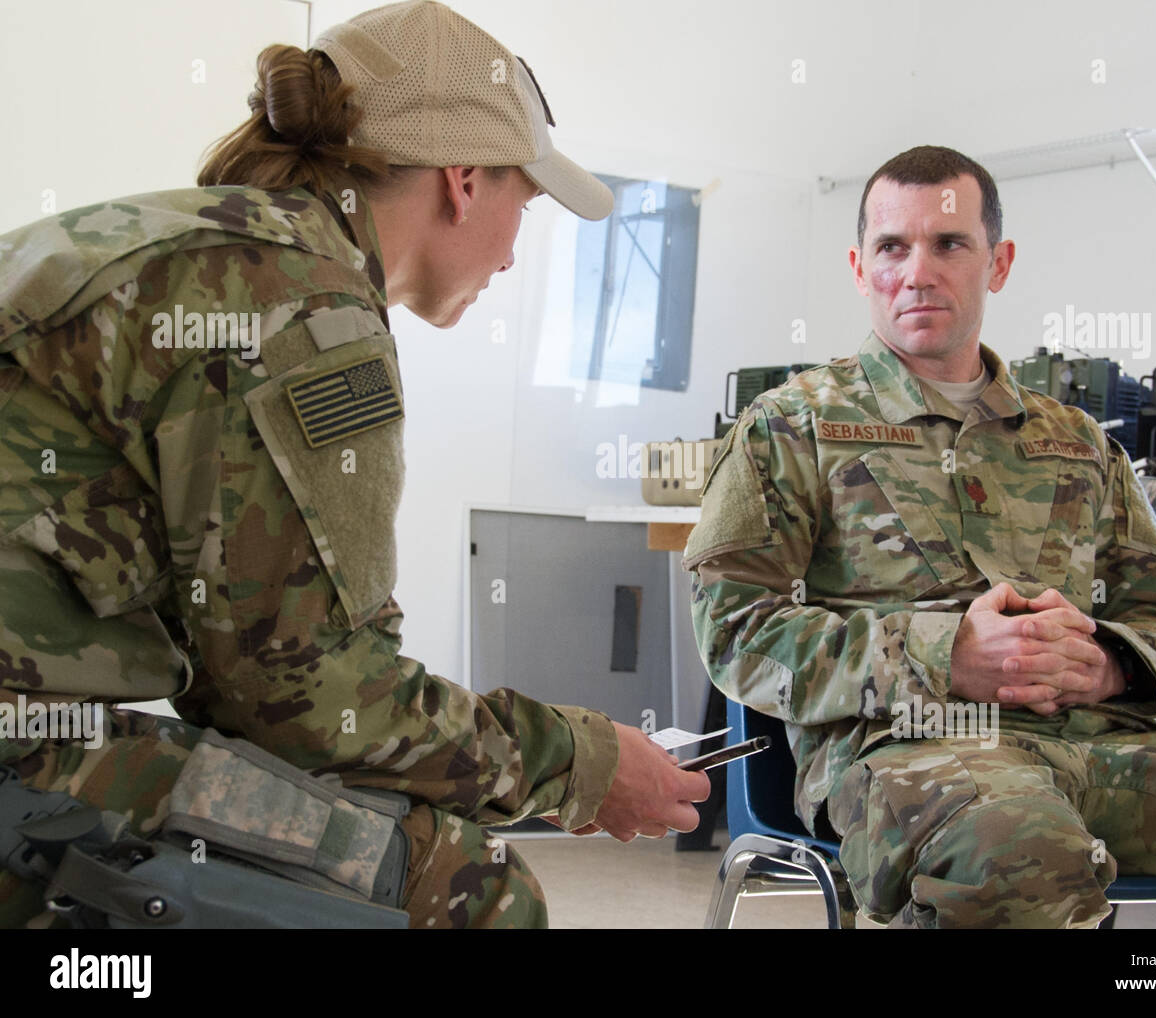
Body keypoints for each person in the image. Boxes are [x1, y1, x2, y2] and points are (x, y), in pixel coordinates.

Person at [0, 0, 709, 929]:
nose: (513, 250)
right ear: (463, 179)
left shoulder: (192, 243)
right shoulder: (304, 302)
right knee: (469, 887)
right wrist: (579, 764)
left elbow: (261, 679)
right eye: (524, 202)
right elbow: (301, 698)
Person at [684, 144, 1156, 928]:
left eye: (949, 244)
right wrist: (949, 656)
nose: (917, 271)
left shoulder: (1079, 442)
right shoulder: (790, 429)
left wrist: (1107, 666)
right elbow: (737, 633)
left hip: (1097, 748)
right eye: (892, 247)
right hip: (907, 752)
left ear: (997, 262)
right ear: (858, 265)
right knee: (1013, 849)